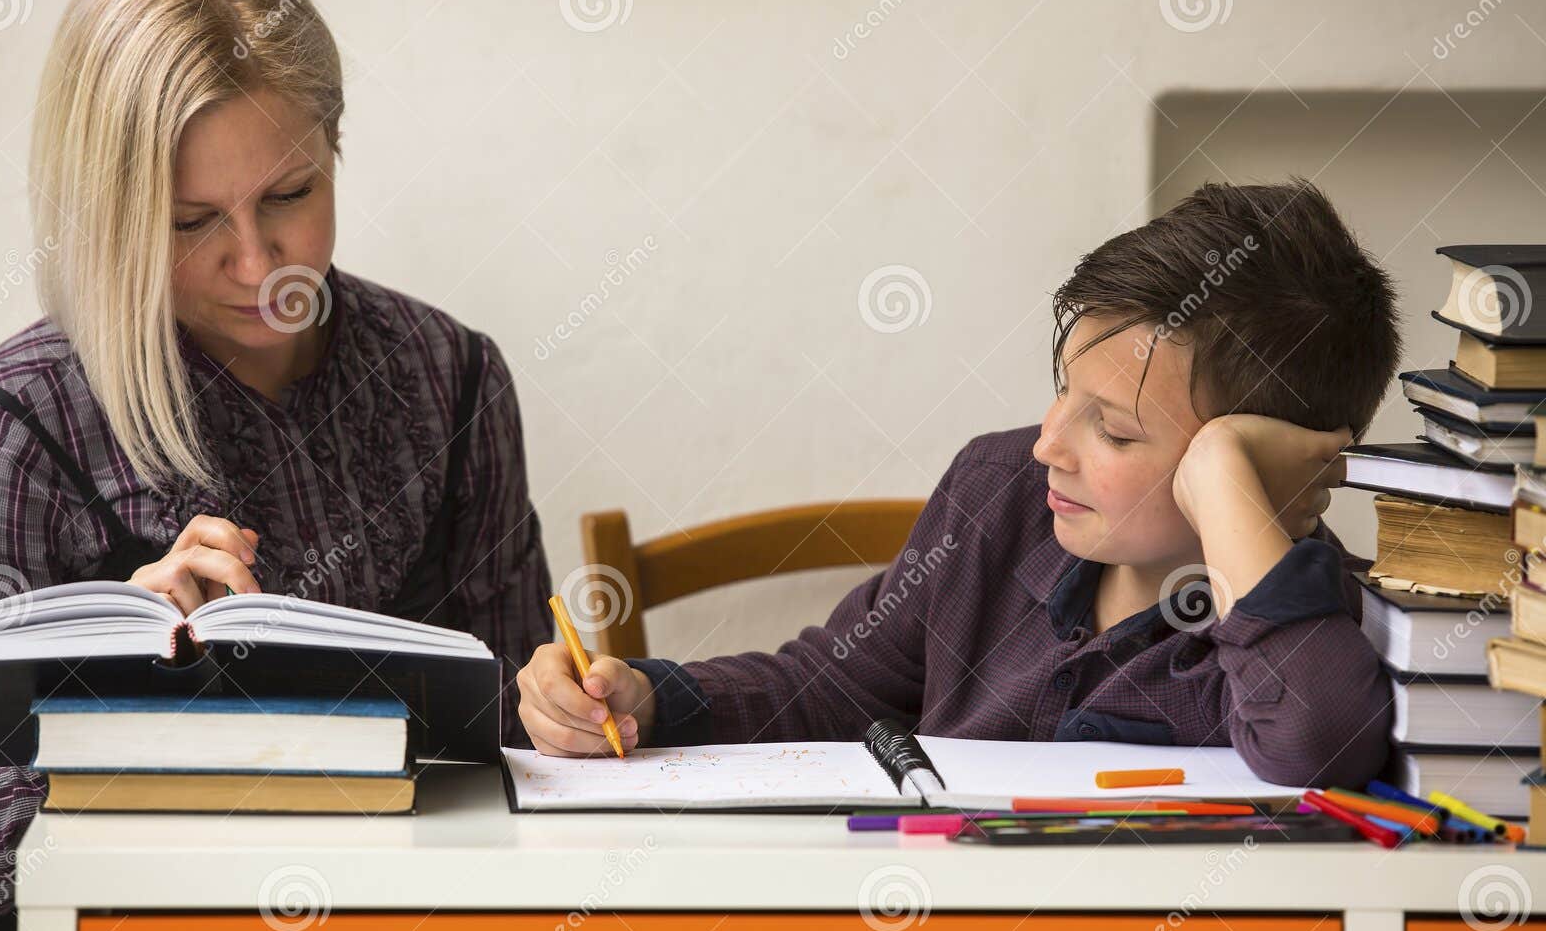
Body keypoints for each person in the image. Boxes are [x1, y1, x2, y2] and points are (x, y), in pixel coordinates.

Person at [0, 0, 552, 931]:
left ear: (335, 150)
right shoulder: (12, 426)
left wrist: (567, 705)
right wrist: (117, 680)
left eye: (289, 195)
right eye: (190, 221)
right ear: (108, 214)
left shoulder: (453, 376)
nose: (256, 258)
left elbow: (518, 737)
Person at [516, 180, 1402, 790]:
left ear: (1260, 465)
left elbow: (1319, 743)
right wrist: (651, 695)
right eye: (1064, 391)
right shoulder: (997, 497)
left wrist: (1222, 484)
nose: (1050, 442)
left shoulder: (1296, 635)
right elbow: (830, 685)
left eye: (1116, 429)